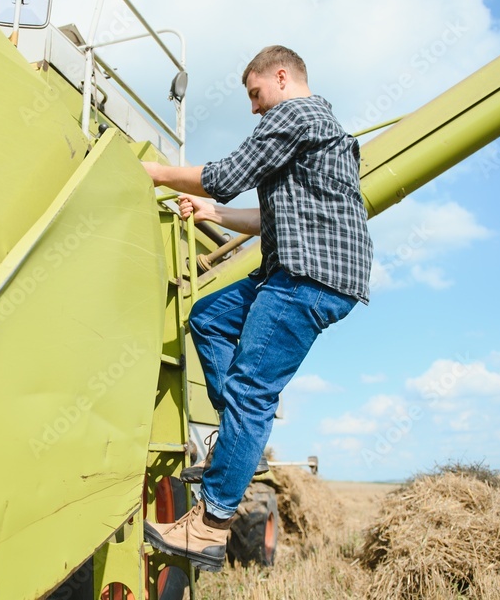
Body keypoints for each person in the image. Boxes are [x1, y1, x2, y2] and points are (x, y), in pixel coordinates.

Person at [140, 45, 372, 572]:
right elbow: (269, 220)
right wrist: (211, 211)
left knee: (250, 389)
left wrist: (156, 172)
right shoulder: (319, 131)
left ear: (282, 77)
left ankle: (210, 525)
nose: (253, 107)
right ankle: (233, 444)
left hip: (306, 279)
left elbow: (225, 172)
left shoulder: (298, 114)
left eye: (255, 94)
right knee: (209, 318)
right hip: (296, 270)